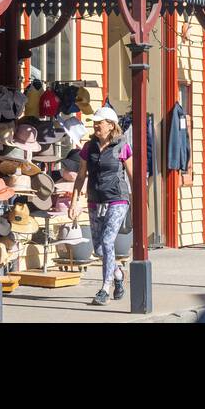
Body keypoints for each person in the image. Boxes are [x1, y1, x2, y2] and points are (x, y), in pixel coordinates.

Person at [69, 106, 134, 306]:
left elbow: (132, 174)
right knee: (98, 248)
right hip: (95, 199)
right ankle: (118, 274)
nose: (96, 125)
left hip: (117, 198)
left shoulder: (122, 146)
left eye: (100, 122)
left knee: (107, 242)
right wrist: (74, 201)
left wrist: (141, 201)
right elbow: (81, 176)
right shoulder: (89, 147)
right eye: (95, 122)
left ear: (111, 125)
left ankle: (105, 288)